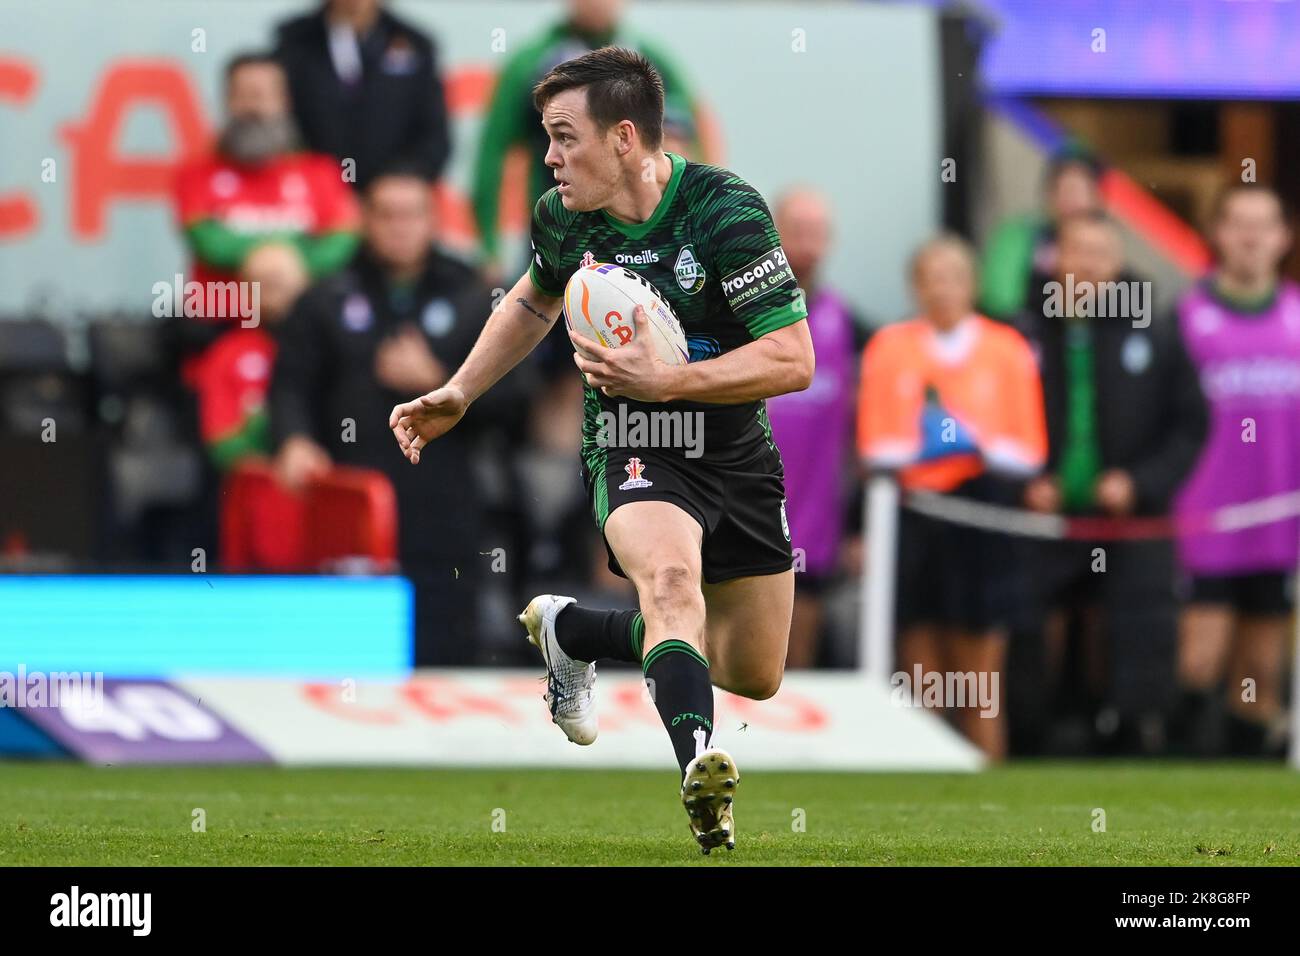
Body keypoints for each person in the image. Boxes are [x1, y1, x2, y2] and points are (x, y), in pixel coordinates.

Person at [389, 48, 813, 853]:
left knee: (755, 670)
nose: (548, 158)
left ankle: (576, 633)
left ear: (624, 139)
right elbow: (533, 299)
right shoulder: (561, 214)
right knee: (671, 582)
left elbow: (794, 359)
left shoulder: (724, 211)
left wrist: (669, 379)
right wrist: (460, 390)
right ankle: (701, 772)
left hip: (734, 447)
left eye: (562, 137)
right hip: (632, 438)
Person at [270, 164, 498, 666]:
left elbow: (515, 398)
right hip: (351, 496)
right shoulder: (327, 296)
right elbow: (289, 384)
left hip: (442, 499)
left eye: (412, 214)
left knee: (443, 646)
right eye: (386, 214)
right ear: (365, 221)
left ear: (434, 220)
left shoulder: (473, 296)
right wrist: (293, 439)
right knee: (346, 648)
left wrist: (442, 381)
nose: (399, 226)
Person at [1016, 212, 1208, 754]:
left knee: (1137, 619)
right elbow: (991, 422)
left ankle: (1131, 732)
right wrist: (1026, 482)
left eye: (1102, 255)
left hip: (1132, 519)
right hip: (1039, 517)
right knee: (1033, 620)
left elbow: (1192, 423)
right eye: (1078, 253)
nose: (1089, 267)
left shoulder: (1156, 329)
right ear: (1056, 260)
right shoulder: (1021, 329)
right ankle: (1035, 732)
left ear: (1118, 263)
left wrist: (1141, 483)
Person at [859, 235, 1047, 760]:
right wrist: (927, 445)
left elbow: (1028, 452)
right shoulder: (889, 347)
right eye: (930, 277)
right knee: (922, 670)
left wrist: (975, 442)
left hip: (983, 516)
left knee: (980, 674)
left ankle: (990, 783)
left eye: (954, 276)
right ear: (915, 286)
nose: (942, 289)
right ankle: (926, 782)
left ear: (973, 284)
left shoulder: (1006, 348)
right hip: (915, 518)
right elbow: (875, 445)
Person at [1174, 183, 1298, 757]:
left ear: (1283, 238)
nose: (1250, 237)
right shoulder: (1184, 320)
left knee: (1260, 672)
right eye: (1238, 223)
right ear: (1218, 233)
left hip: (1279, 526)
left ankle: (1245, 814)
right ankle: (1176, 789)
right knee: (1198, 660)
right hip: (1204, 524)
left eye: (1263, 224)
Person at [471, 0, 713, 285]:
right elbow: (493, 152)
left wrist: (700, 218)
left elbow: (690, 141)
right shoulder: (532, 62)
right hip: (560, 230)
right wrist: (489, 245)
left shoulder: (650, 58)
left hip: (646, 233)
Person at [173, 52, 360, 332]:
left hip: (308, 328)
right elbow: (208, 243)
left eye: (263, 94)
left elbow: (342, 241)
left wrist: (287, 264)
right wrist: (273, 261)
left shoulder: (322, 172)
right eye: (242, 94)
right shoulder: (195, 173)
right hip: (221, 328)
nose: (253, 106)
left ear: (285, 101)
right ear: (226, 101)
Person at [766, 187, 867, 668]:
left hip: (812, 530)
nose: (806, 244)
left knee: (794, 663)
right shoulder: (734, 316)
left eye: (816, 232)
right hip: (738, 518)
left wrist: (859, 524)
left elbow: (866, 435)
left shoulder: (848, 327)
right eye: (796, 230)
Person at [275, 0, 451, 188]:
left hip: (390, 195)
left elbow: (433, 132)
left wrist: (400, 177)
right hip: (314, 191)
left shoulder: (414, 44)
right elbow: (280, 121)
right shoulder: (294, 42)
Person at [980, 148, 1103, 321]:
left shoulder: (1105, 239)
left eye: (1078, 189)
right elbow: (998, 300)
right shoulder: (1019, 236)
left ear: (1097, 197)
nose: (1070, 198)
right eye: (1062, 188)